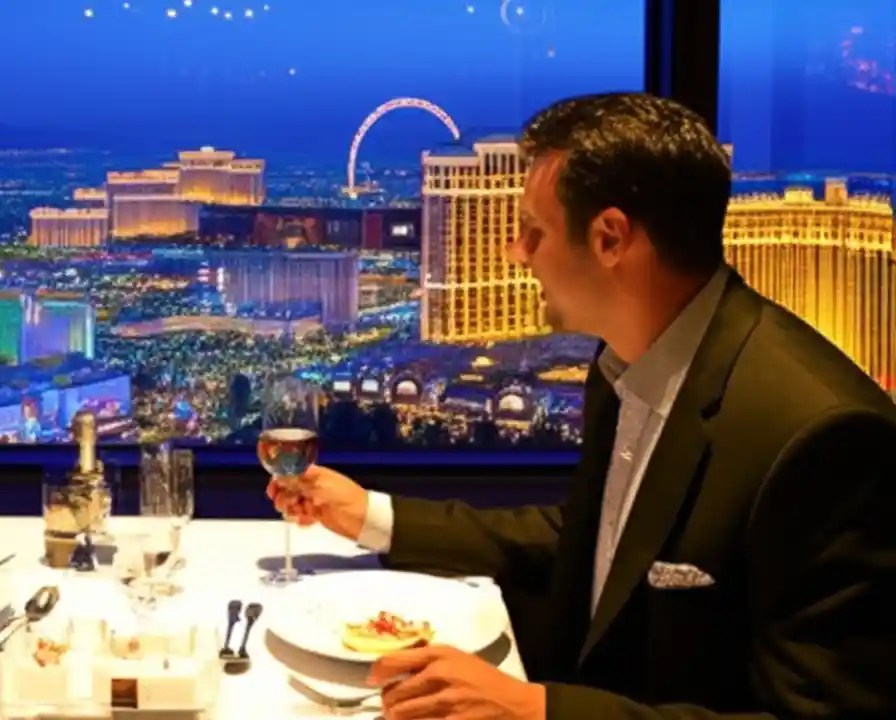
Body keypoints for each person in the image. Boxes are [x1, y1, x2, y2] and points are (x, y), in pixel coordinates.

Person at [270, 93, 896, 719]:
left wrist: (541, 712)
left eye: (534, 230)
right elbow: (596, 546)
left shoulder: (824, 436)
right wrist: (373, 516)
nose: (517, 251)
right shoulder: (628, 364)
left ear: (610, 239)